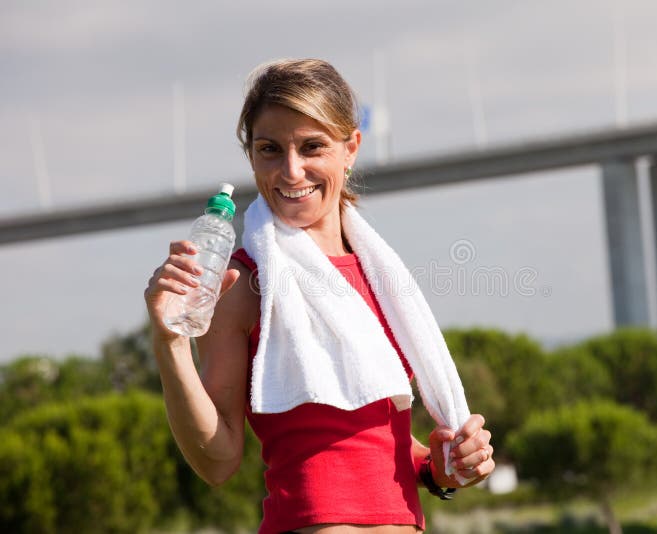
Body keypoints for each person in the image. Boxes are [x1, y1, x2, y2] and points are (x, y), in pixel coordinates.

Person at [144, 58, 494, 534]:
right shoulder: (240, 285)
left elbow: (368, 443)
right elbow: (217, 461)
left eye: (312, 147)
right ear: (251, 156)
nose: (291, 171)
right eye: (270, 149)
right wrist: (170, 344)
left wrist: (443, 467)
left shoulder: (379, 275)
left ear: (350, 148)